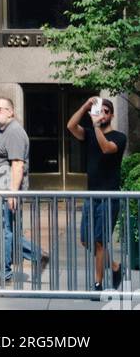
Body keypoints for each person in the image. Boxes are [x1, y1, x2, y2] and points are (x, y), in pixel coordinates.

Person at [67, 96, 127, 290]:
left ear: (112, 115)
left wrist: (96, 126)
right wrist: (85, 106)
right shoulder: (90, 134)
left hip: (110, 197)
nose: (102, 114)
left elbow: (106, 148)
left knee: (100, 242)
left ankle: (98, 284)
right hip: (91, 196)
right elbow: (70, 126)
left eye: (106, 111)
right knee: (86, 240)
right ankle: (116, 267)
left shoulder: (119, 137)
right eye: (100, 111)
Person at [0, 95, 45, 283]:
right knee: (5, 232)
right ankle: (37, 256)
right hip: (0, 192)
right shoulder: (5, 131)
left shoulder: (14, 132)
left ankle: (5, 273)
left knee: (3, 232)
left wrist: (12, 192)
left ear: (10, 112)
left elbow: (17, 164)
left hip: (6, 193)